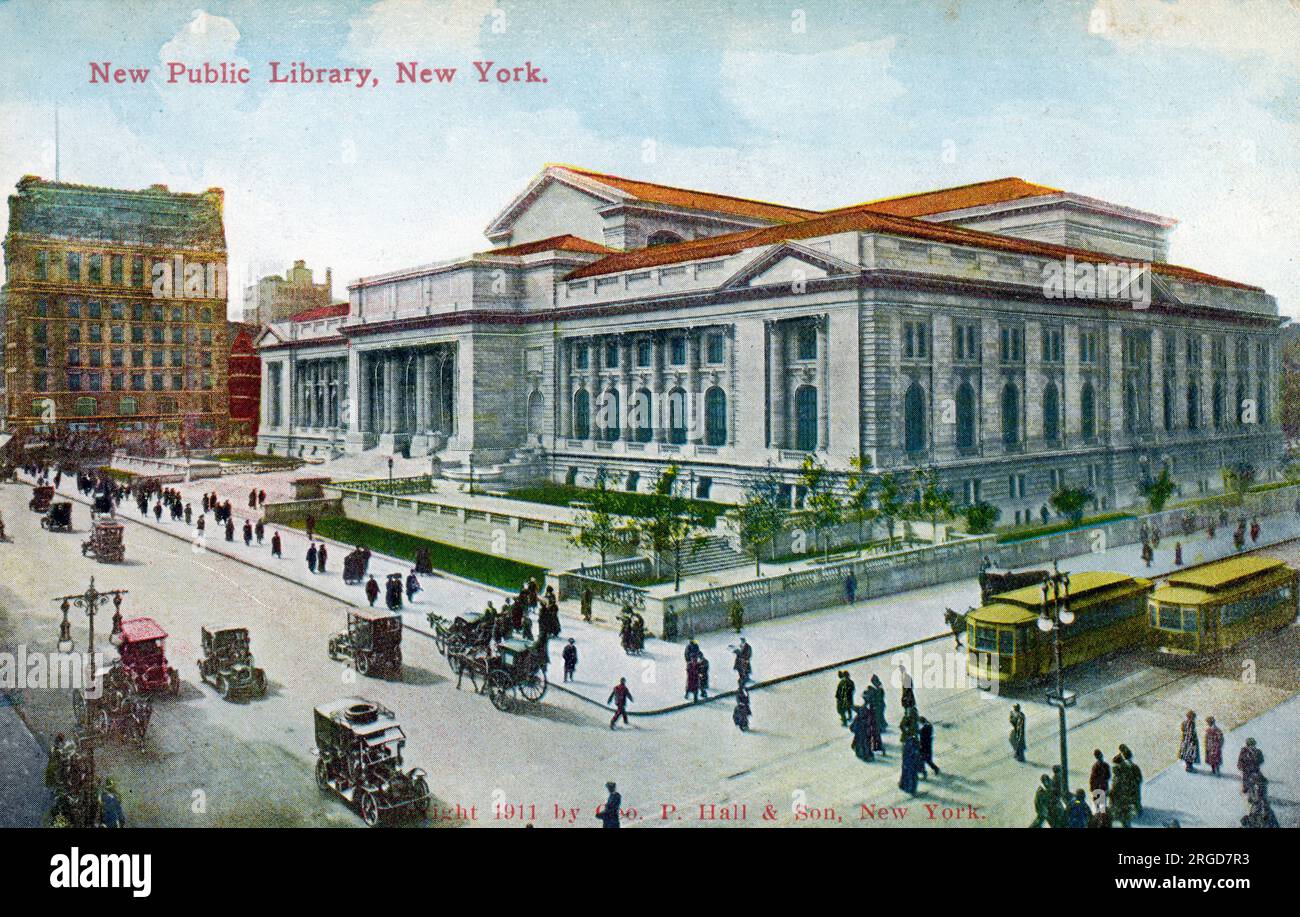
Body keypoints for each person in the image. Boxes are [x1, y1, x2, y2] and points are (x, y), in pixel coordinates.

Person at [1110, 753, 1136, 828]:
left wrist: (1111, 793)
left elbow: (1117, 788)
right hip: (1124, 800)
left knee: (1124, 819)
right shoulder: (1125, 771)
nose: (1114, 767)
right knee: (1125, 819)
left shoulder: (1121, 775)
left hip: (1122, 801)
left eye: (1115, 765)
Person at [1120, 745, 1143, 816]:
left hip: (1126, 787)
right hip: (1134, 787)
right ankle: (1138, 810)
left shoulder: (1122, 767)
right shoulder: (1135, 767)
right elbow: (1140, 778)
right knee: (1136, 799)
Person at [898, 731, 922, 796]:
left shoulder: (906, 744)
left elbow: (904, 754)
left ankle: (905, 787)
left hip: (906, 763)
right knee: (913, 777)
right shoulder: (914, 744)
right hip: (912, 764)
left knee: (906, 776)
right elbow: (916, 756)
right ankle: (912, 790)